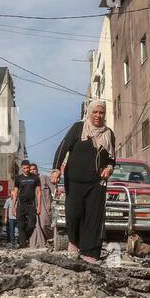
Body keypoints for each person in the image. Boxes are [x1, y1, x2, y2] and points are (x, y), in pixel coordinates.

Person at [51, 100, 115, 263]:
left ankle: (90, 253)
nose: (98, 116)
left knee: (93, 218)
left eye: (101, 113)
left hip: (97, 183)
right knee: (73, 213)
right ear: (89, 112)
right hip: (74, 181)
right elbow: (63, 147)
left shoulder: (108, 134)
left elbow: (112, 159)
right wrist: (56, 169)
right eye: (95, 112)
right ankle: (74, 241)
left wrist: (109, 168)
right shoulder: (78, 128)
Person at [15, 160, 41, 246]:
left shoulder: (35, 178)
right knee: (20, 225)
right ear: (22, 168)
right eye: (24, 168)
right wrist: (13, 206)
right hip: (21, 204)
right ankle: (23, 245)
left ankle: (24, 238)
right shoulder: (18, 178)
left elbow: (38, 192)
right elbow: (15, 192)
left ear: (29, 167)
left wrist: (39, 205)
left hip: (31, 205)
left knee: (31, 225)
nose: (26, 169)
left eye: (27, 168)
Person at [28, 166, 53, 250]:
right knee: (35, 226)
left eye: (34, 169)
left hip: (45, 206)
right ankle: (39, 244)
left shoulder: (44, 177)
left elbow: (54, 189)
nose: (32, 171)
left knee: (44, 224)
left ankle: (52, 238)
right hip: (33, 206)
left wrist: (52, 203)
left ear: (37, 170)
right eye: (30, 170)